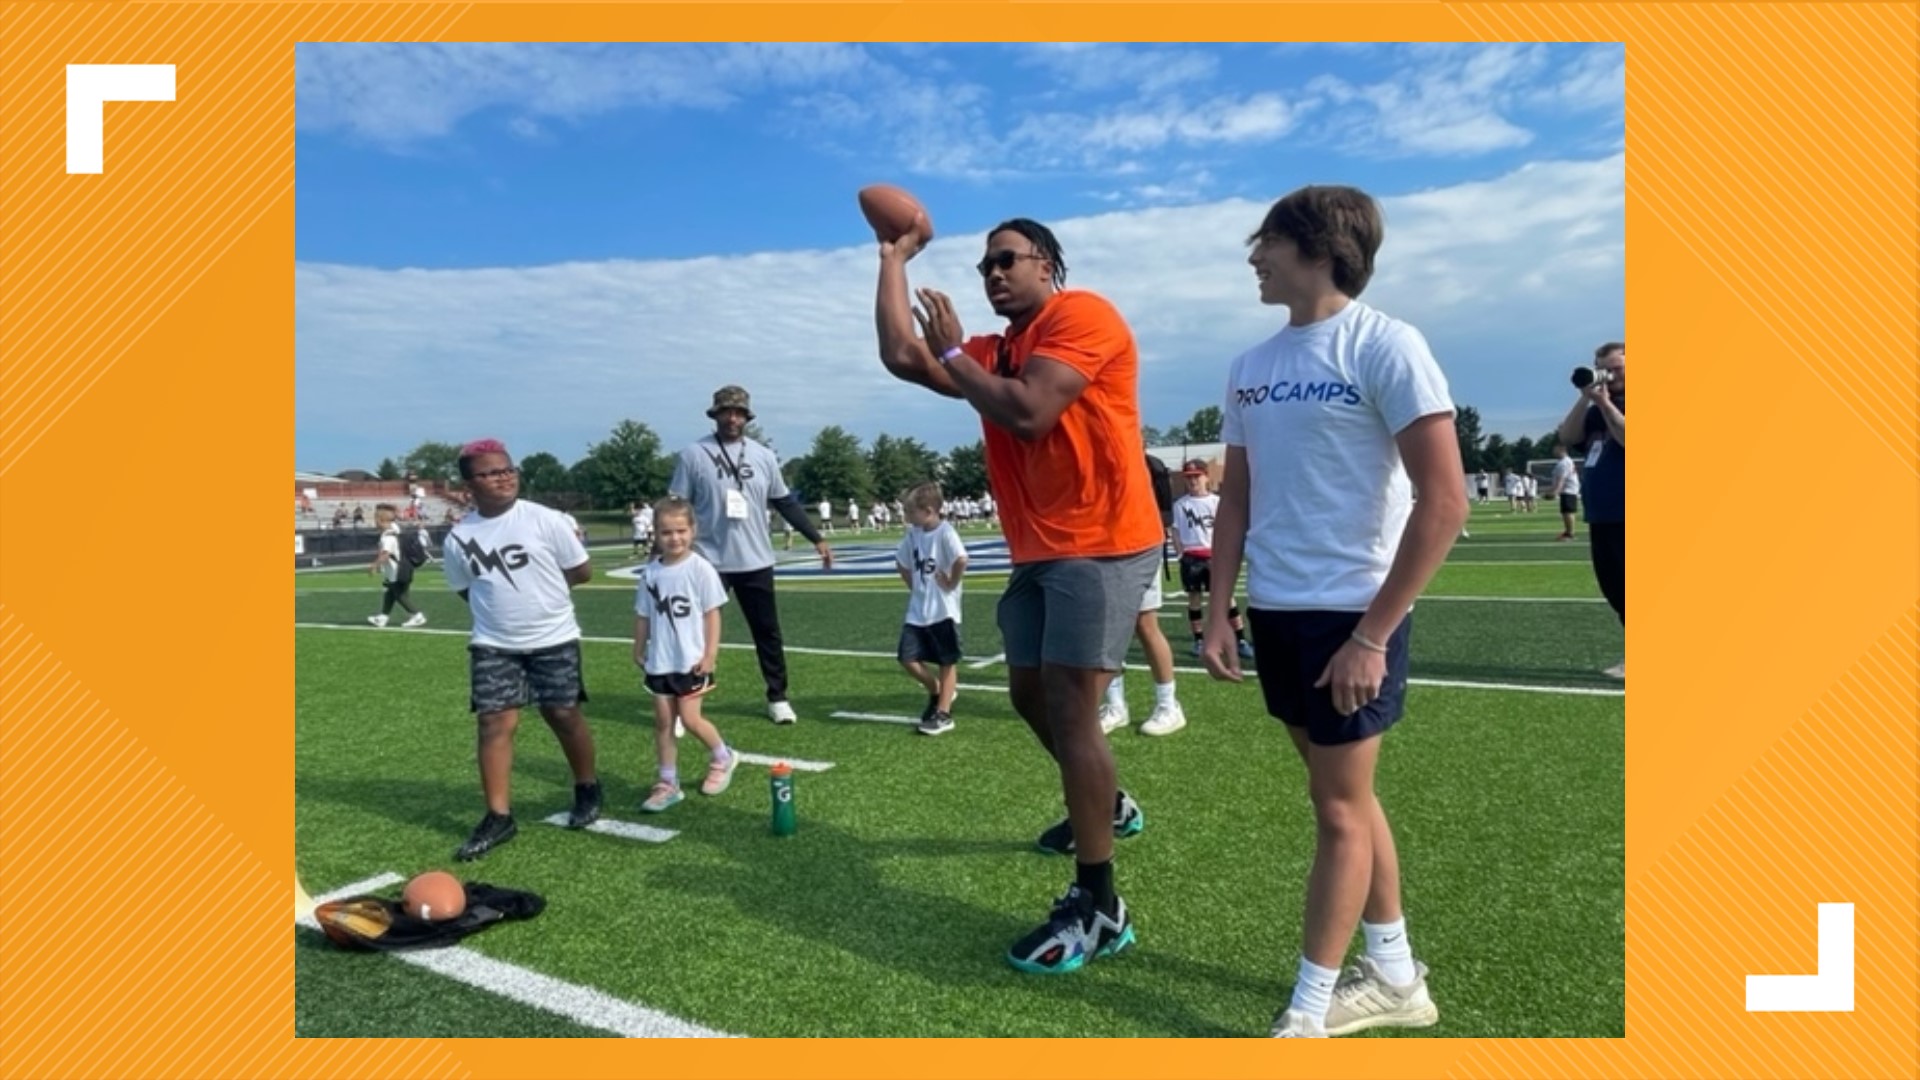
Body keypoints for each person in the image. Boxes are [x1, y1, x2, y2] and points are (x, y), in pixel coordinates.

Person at [1203, 185, 1466, 1037]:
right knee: (1342, 799)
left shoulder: (1387, 343)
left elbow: (1444, 500)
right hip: (1279, 613)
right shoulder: (1249, 367)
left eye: (1267, 241)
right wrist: (1218, 612)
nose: (1254, 257)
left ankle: (1309, 1013)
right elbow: (1235, 502)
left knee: (1340, 811)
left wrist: (1371, 636)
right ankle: (1396, 975)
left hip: (1353, 615)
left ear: (1319, 248)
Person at [877, 214, 1163, 975]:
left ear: (1047, 264)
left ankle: (1100, 906)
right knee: (1029, 697)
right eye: (983, 266)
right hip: (1041, 548)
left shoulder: (1081, 314)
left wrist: (951, 352)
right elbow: (902, 355)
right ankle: (1110, 804)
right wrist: (892, 259)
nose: (992, 273)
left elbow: (1031, 413)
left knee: (1071, 707)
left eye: (1006, 260)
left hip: (1102, 541)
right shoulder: (996, 349)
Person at [441, 439, 602, 861]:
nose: (504, 477)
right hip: (494, 643)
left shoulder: (545, 520)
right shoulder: (459, 537)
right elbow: (467, 590)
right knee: (494, 723)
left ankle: (587, 786)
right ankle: (499, 815)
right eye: (490, 473)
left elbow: (581, 571)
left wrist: (541, 598)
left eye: (508, 469)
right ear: (468, 484)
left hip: (554, 636)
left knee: (563, 713)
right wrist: (502, 616)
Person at [668, 385, 834, 724]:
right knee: (692, 634)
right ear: (715, 415)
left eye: (739, 413)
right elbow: (677, 507)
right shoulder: (693, 455)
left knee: (767, 631)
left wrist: (816, 537)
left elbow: (784, 501)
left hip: (755, 560)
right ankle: (686, 701)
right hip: (707, 560)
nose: (732, 418)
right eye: (726, 412)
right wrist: (667, 553)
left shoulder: (763, 456)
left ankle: (777, 696)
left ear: (747, 417)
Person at [633, 497, 738, 812]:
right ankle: (668, 782)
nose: (674, 538)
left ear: (693, 530)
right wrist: (638, 647)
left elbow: (712, 614)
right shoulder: (650, 573)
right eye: (666, 532)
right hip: (660, 660)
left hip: (690, 660)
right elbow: (643, 614)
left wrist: (710, 654)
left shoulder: (700, 569)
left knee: (691, 719)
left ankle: (723, 756)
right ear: (655, 533)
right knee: (663, 721)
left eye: (680, 530)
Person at [1558, 341, 1624, 678]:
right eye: (1605, 368)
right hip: (1602, 512)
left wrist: (1605, 403)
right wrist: (1586, 397)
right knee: (1615, 588)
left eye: (1617, 368)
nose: (1610, 375)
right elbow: (1567, 436)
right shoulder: (1596, 407)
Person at [894, 482, 969, 737]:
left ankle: (944, 712)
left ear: (928, 510)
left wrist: (951, 582)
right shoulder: (913, 534)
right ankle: (937, 690)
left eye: (910, 512)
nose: (907, 517)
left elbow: (961, 559)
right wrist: (914, 586)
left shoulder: (945, 532)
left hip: (943, 609)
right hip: (918, 609)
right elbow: (901, 562)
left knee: (946, 660)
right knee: (907, 657)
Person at [1171, 457, 1251, 660]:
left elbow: (1227, 529)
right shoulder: (1180, 505)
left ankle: (1240, 639)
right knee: (1194, 600)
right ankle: (1198, 639)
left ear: (1206, 477)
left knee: (1227, 598)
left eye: (1197, 476)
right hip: (1191, 558)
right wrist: (1181, 554)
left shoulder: (1217, 502)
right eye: (1189, 478)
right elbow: (1176, 531)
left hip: (1214, 556)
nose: (1193, 481)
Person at [1099, 557, 1187, 737]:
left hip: (1137, 549)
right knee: (1106, 625)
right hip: (1099, 551)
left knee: (1145, 623)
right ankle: (1116, 706)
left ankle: (1168, 705)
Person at [365, 504, 426, 628]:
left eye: (376, 520)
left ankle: (417, 615)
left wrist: (374, 566)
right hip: (402, 568)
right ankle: (383, 617)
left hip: (396, 571)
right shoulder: (395, 531)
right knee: (390, 592)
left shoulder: (388, 536)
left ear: (381, 520)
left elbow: (385, 554)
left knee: (399, 595)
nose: (375, 523)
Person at [1549, 442, 1582, 541]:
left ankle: (1570, 533)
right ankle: (1568, 531)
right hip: (1567, 489)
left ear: (1561, 449)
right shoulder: (1564, 461)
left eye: (1555, 449)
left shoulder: (1564, 462)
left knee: (1568, 512)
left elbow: (1561, 479)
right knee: (1565, 512)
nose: (1553, 451)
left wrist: (1555, 492)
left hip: (1569, 489)